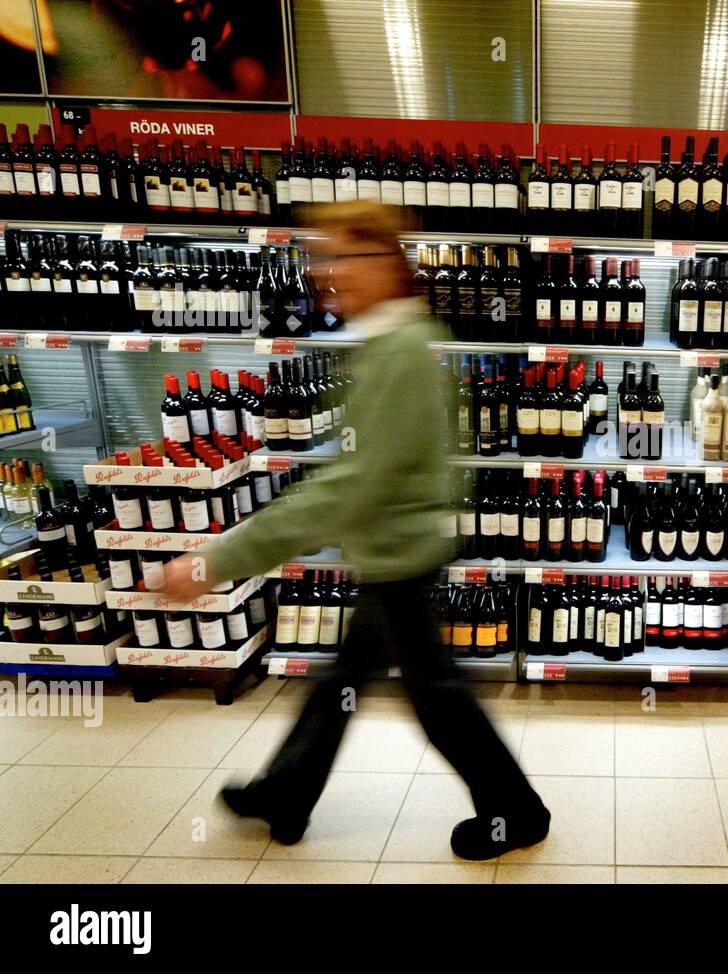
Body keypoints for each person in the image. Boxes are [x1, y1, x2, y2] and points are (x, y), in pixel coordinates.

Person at [160, 200, 549, 860]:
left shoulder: (398, 352)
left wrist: (219, 559)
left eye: (339, 256)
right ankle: (287, 790)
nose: (325, 273)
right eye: (322, 257)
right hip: (392, 545)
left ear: (385, 262)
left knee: (438, 699)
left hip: (402, 553)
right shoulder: (393, 340)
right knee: (342, 681)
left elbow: (353, 483)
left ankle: (517, 812)